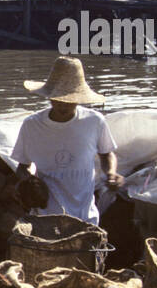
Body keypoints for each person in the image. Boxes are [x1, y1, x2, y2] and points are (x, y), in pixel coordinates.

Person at [10, 56, 123, 225]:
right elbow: (22, 167)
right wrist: (30, 182)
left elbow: (107, 154)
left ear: (79, 98)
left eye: (69, 101)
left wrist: (111, 173)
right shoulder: (32, 125)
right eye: (58, 100)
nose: (63, 106)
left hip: (85, 216)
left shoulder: (94, 121)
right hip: (47, 216)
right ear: (49, 96)